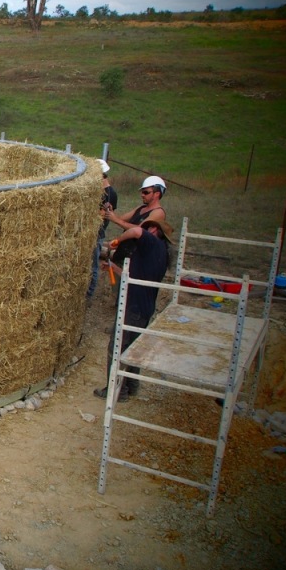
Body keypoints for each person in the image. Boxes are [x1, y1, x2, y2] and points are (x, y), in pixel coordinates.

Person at [93, 217, 173, 402]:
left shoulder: (152, 243)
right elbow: (136, 277)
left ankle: (116, 392)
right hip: (145, 306)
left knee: (117, 346)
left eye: (147, 228)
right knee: (134, 347)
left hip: (134, 305)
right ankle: (132, 386)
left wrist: (116, 242)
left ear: (154, 230)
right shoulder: (159, 253)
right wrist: (114, 267)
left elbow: (137, 232)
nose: (141, 230)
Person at [105, 175, 167, 272]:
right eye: (142, 192)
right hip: (124, 253)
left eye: (146, 192)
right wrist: (111, 212)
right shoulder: (141, 208)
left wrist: (117, 238)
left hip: (137, 258)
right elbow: (120, 219)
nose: (142, 195)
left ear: (157, 194)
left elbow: (139, 229)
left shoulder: (158, 212)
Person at [87, 159, 119, 297]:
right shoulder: (100, 192)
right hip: (91, 233)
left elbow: (101, 216)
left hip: (97, 234)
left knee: (93, 267)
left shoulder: (109, 194)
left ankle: (89, 294)